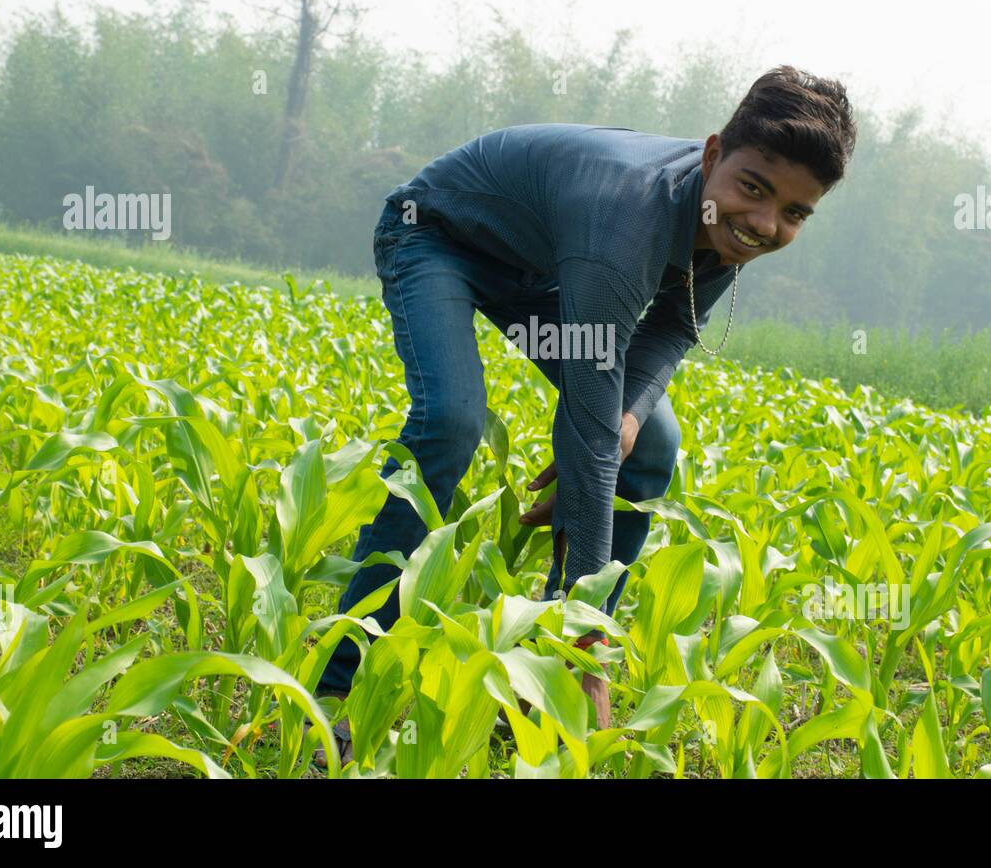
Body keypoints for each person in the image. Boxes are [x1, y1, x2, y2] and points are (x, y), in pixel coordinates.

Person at [309, 65, 856, 767]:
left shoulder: (728, 221)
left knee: (649, 442)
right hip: (437, 238)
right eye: (754, 189)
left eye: (795, 213)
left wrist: (624, 417)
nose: (766, 224)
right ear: (714, 154)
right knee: (450, 423)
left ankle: (536, 688)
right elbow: (590, 435)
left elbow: (672, 328)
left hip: (541, 274)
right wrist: (589, 646)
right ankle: (336, 689)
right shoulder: (626, 220)